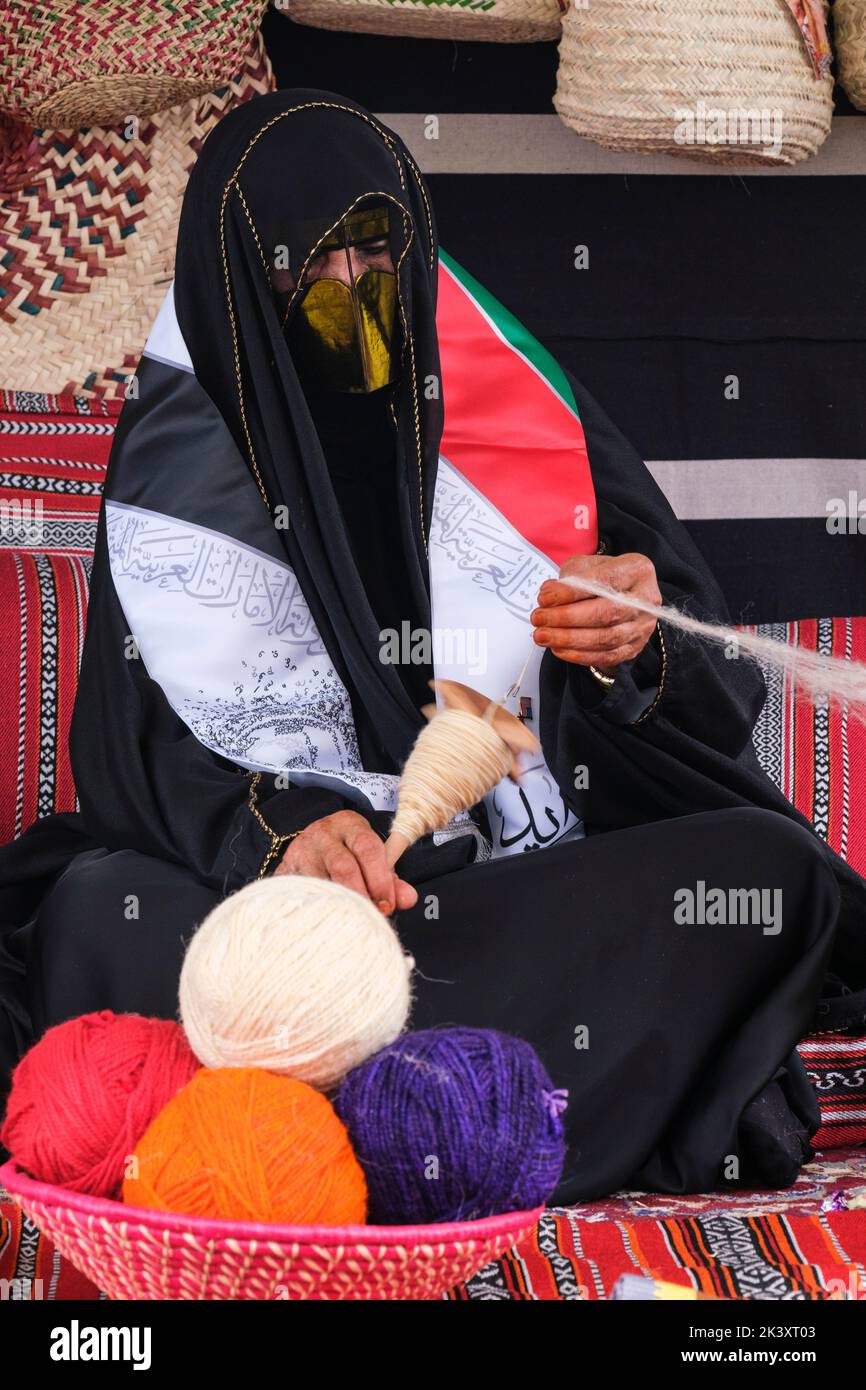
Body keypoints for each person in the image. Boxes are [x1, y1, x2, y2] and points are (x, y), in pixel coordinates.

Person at [1, 89, 864, 1203]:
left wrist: (627, 649)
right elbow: (134, 761)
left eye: (375, 251)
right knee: (96, 911)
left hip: (511, 884)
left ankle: (344, 1104)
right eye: (306, 267)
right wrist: (281, 834)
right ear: (234, 283)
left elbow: (702, 693)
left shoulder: (511, 414)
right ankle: (454, 1105)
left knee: (759, 869)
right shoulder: (182, 465)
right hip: (299, 913)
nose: (353, 293)